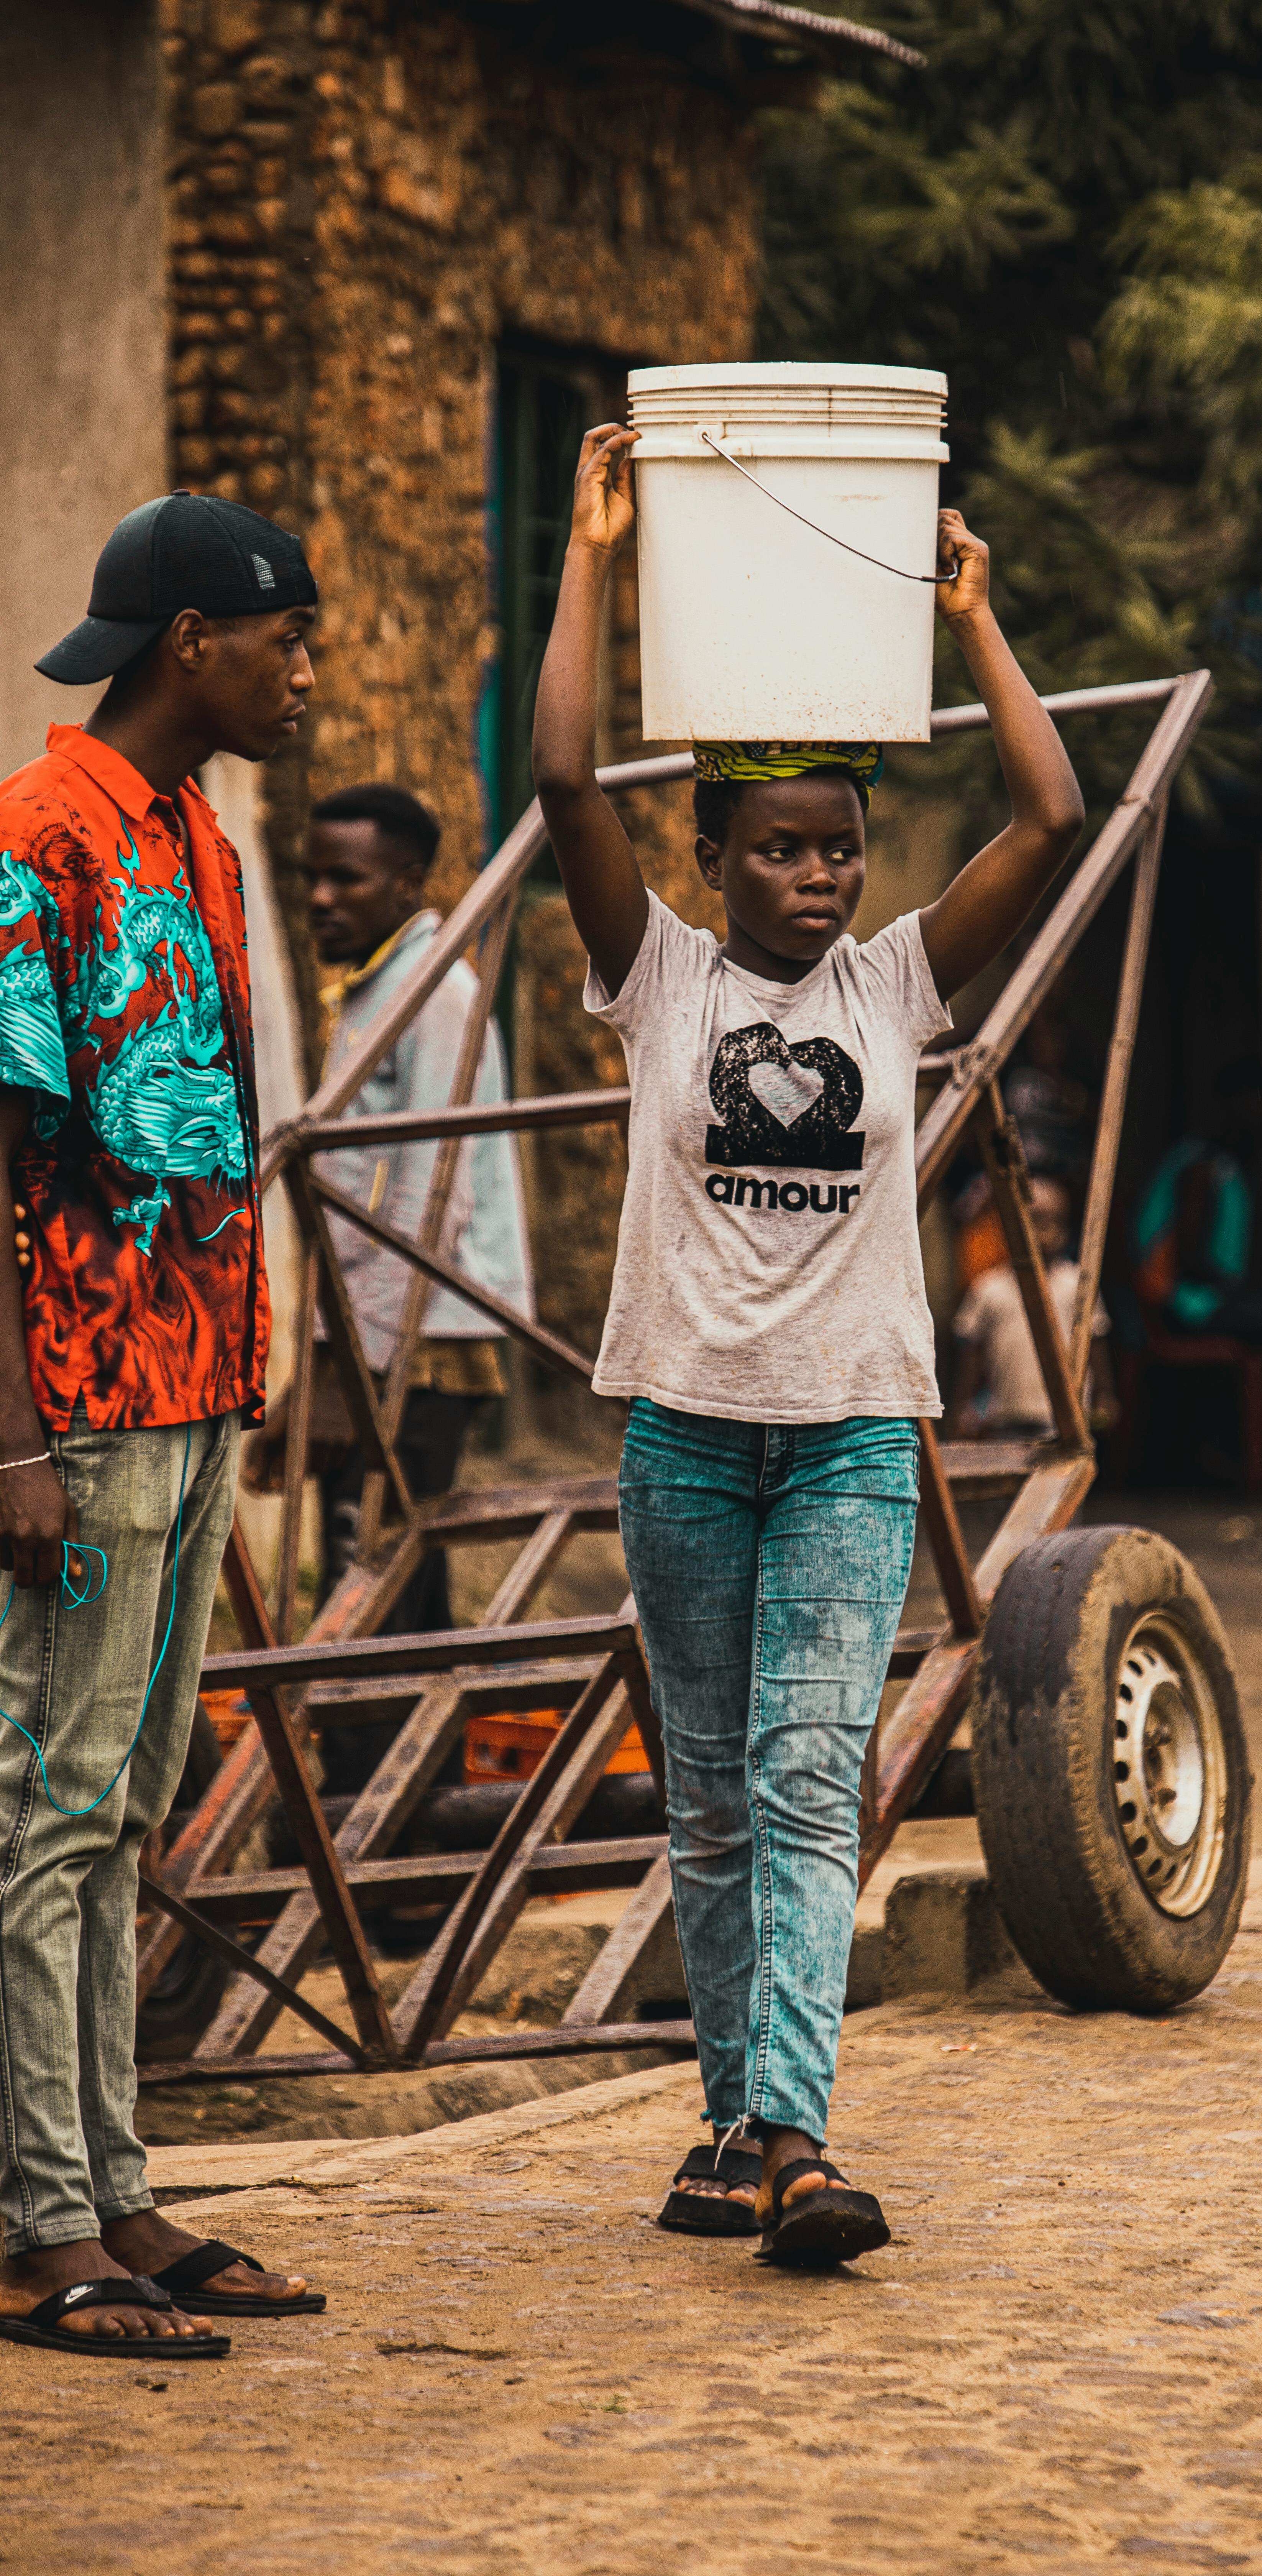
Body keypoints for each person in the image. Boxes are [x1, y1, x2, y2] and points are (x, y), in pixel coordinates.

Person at [533, 421, 1085, 2263]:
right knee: (703, 1800)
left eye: (840, 850)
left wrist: (973, 619)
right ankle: (726, 2134)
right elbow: (560, 782)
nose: (817, 878)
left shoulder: (897, 986)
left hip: (850, 1431)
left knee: (803, 1774)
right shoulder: (660, 975)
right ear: (715, 856)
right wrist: (595, 551)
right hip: (686, 1437)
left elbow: (1052, 820)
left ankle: (791, 2136)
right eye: (779, 849)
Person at [0, 489, 325, 2358]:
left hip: (197, 1397)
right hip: (88, 1405)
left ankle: (115, 2191)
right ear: (191, 640)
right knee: (48, 1812)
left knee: (124, 1807)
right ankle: (45, 2227)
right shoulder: (41, 839)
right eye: (284, 637)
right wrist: (17, 1441)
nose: (302, 672)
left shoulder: (195, 838)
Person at [244, 782, 533, 1794]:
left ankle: (393, 1813)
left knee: (379, 1575)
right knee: (388, 1575)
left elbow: (423, 1196)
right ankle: (392, 1806)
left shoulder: (435, 994)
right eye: (311, 876)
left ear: (407, 883)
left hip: (421, 1334)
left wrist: (336, 1367)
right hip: (372, 1336)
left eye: (346, 879)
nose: (321, 897)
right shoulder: (374, 987)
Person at [1134, 1061, 1262, 1484]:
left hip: (1208, 1300)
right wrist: (1250, 1291)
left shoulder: (1224, 1165)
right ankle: (1232, 1440)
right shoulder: (1201, 1165)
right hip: (1190, 1305)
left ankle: (1238, 1441)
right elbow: (1192, 1259)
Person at [949, 1174, 1114, 1440]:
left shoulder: (1078, 1285)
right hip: (1004, 1417)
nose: (1042, 1232)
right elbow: (972, 1352)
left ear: (1066, 1229)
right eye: (1033, 1221)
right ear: (1010, 1226)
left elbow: (1096, 1342)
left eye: (1051, 1222)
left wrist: (1105, 1394)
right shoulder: (988, 1288)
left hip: (1065, 1419)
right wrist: (963, 1406)